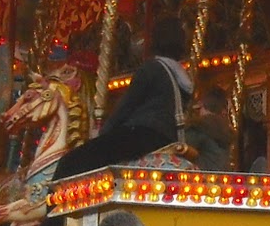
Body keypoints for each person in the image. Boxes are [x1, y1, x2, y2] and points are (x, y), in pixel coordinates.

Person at [52, 18, 192, 183]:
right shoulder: (182, 78)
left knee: (71, 162)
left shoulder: (152, 68)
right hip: (167, 137)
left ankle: (57, 202)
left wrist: (103, 133)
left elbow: (126, 106)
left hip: (141, 134)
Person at [182, 85, 235, 171]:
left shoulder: (198, 127)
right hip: (221, 178)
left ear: (203, 106)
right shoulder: (224, 129)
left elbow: (181, 148)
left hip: (202, 178)